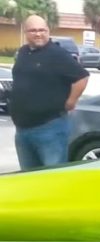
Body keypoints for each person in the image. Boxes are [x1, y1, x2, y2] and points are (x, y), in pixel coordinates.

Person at [9, 15, 89, 170]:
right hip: (23, 129)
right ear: (26, 33)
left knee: (52, 177)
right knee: (29, 178)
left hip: (50, 128)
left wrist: (71, 101)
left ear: (48, 31)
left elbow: (82, 77)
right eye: (33, 31)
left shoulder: (57, 53)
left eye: (42, 30)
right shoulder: (23, 52)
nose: (38, 34)